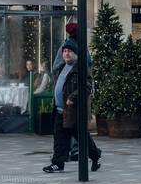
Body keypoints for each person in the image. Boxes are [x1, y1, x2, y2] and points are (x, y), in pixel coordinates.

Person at [44, 41, 102, 173]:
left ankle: (95, 155)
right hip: (59, 110)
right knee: (59, 138)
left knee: (82, 139)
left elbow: (87, 87)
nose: (66, 54)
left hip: (73, 111)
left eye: (69, 51)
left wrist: (72, 97)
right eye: (64, 51)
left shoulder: (81, 68)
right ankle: (57, 164)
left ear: (76, 54)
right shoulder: (61, 68)